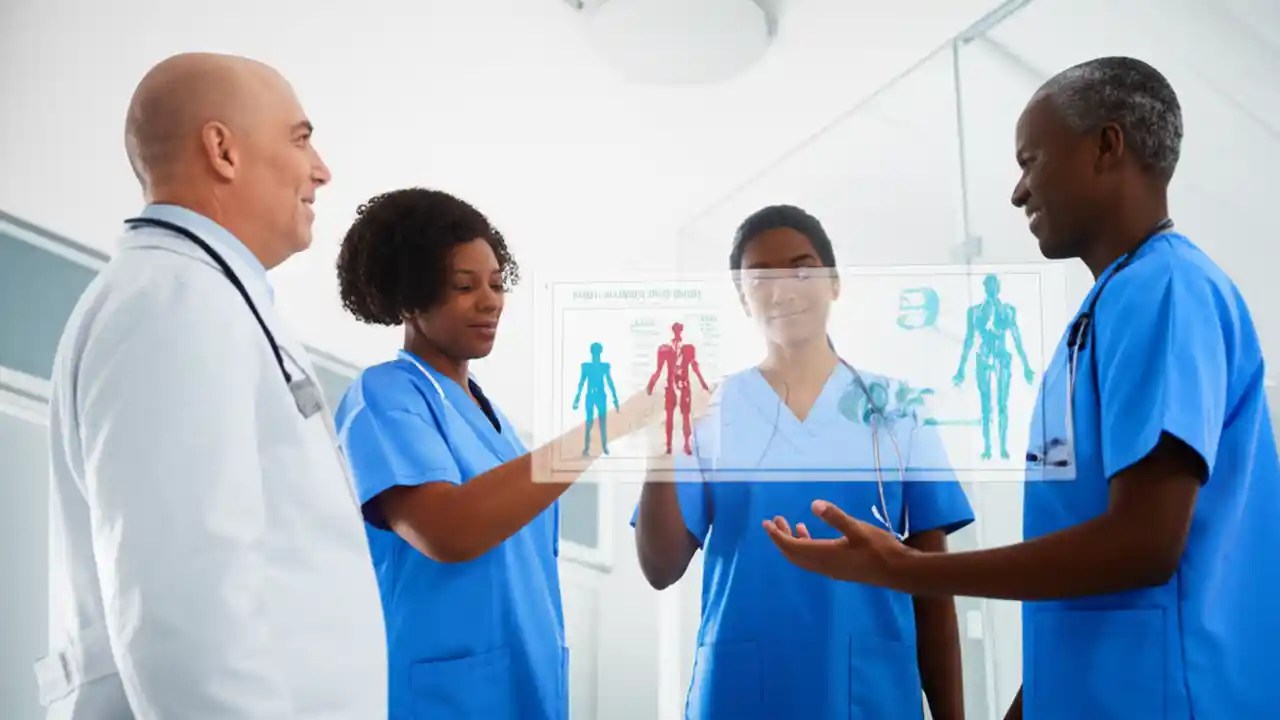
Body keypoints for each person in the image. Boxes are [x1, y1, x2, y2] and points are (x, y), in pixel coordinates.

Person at [765, 57, 1280, 719]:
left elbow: (1142, 546)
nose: (1018, 192)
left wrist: (906, 570)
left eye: (1030, 160)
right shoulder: (1105, 312)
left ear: (1106, 146)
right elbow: (1092, 571)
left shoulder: (1168, 289)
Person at [39, 53, 386, 717]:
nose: (321, 169)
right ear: (222, 150)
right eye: (301, 137)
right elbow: (182, 608)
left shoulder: (205, 298)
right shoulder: (175, 302)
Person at [332, 187, 703, 719]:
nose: (490, 301)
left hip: (526, 688)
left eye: (496, 284)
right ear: (410, 298)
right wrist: (609, 425)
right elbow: (449, 529)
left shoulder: (496, 422)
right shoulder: (384, 396)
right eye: (465, 286)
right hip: (445, 700)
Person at [633, 205, 974, 720]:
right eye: (760, 277)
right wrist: (660, 444)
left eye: (801, 268)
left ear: (834, 282)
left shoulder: (896, 407)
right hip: (739, 692)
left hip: (868, 694)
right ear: (742, 298)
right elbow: (661, 568)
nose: (783, 289)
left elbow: (932, 586)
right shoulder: (707, 412)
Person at [952, 273, 1036, 460]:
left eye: (994, 285)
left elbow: (1016, 338)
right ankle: (988, 447)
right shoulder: (974, 312)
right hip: (983, 359)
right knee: (985, 406)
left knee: (1002, 404)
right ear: (984, 288)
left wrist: (1026, 366)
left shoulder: (1007, 310)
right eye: (988, 285)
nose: (991, 289)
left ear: (998, 288)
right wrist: (960, 369)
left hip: (1001, 358)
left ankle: (1003, 447)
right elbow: (968, 340)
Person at [573, 341, 620, 455]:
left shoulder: (601, 367)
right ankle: (589, 447)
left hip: (598, 396)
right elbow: (582, 383)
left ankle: (601, 446)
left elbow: (609, 382)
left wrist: (615, 399)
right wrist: (577, 398)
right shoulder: (588, 367)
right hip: (593, 396)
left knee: (600, 422)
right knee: (591, 422)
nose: (596, 354)